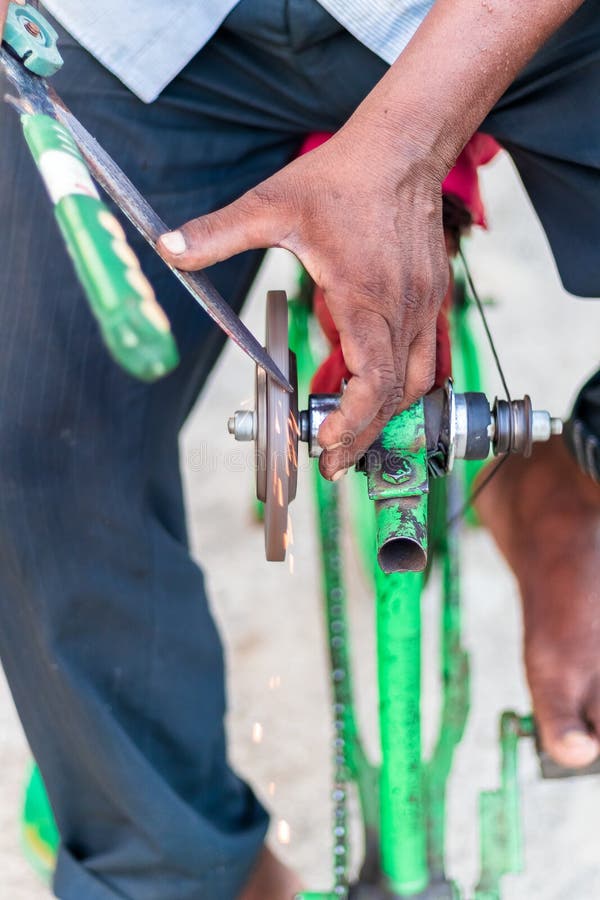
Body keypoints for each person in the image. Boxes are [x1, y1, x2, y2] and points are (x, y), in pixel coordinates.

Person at [0, 0, 599, 897]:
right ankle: (181, 865)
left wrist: (406, 149)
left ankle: (568, 493)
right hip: (143, 27)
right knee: (39, 443)